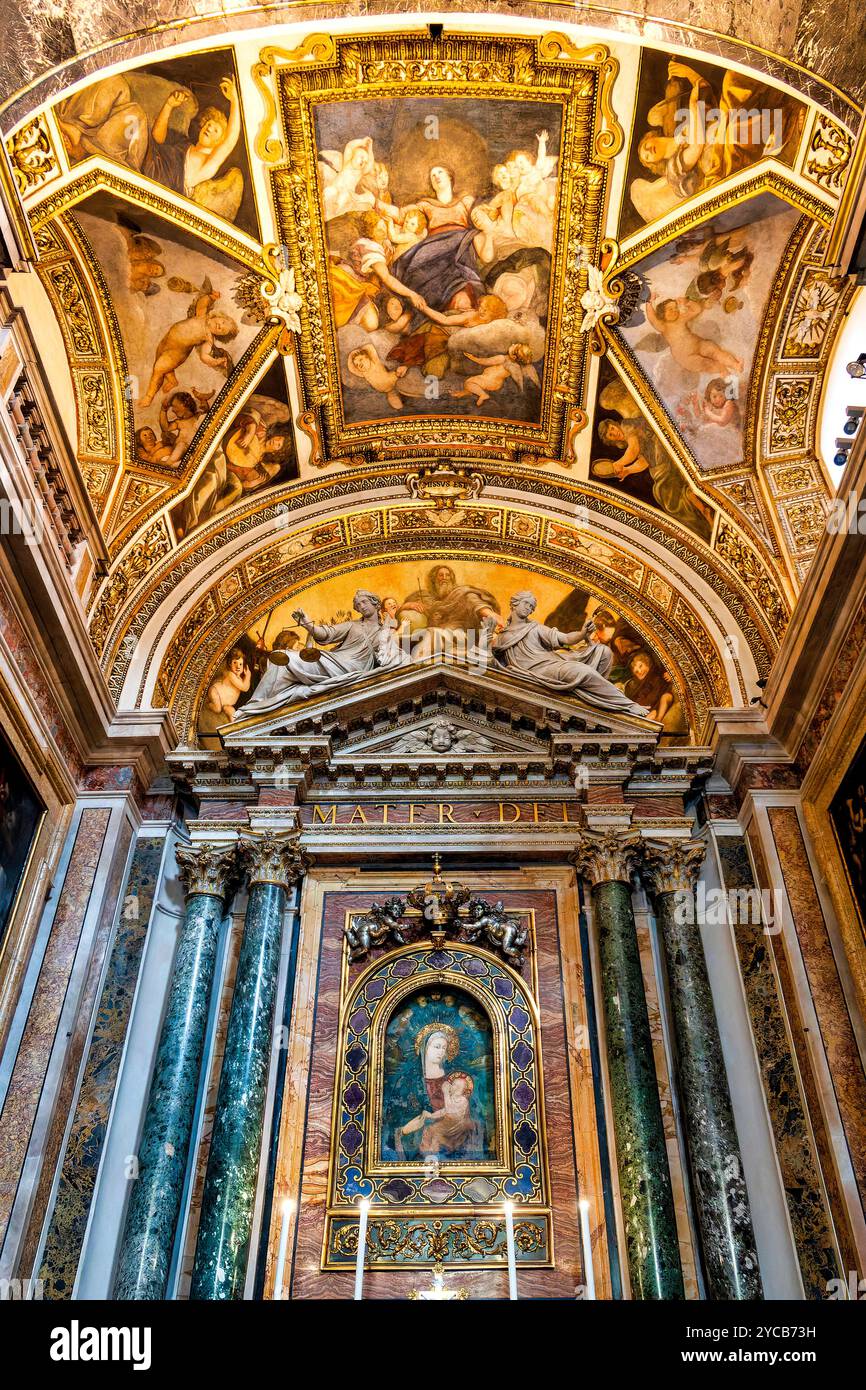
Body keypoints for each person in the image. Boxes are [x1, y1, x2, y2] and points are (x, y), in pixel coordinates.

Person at [493, 591, 652, 716]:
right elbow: (486, 663)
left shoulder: (535, 628)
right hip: (537, 671)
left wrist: (583, 633)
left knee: (603, 651)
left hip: (552, 663)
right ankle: (627, 704)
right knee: (581, 671)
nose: (529, 608)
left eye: (532, 606)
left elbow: (566, 638)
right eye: (527, 604)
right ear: (515, 603)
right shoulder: (502, 637)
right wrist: (484, 633)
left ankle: (594, 698)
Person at [241, 589, 389, 714]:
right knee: (282, 659)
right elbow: (327, 633)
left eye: (364, 602)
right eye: (358, 605)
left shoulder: (386, 631)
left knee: (285, 660)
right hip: (336, 663)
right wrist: (307, 623)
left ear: (375, 603)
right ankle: (260, 704)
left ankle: (259, 704)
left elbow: (389, 656)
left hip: (356, 669)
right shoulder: (353, 625)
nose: (361, 606)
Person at [397, 564, 501, 659]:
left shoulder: (459, 593)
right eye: (441, 575)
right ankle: (415, 668)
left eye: (447, 575)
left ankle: (417, 666)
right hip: (440, 633)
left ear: (452, 578)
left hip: (462, 635)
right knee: (429, 635)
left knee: (433, 634)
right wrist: (408, 605)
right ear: (434, 579)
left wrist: (490, 614)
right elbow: (396, 612)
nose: (444, 578)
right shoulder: (426, 598)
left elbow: (472, 600)